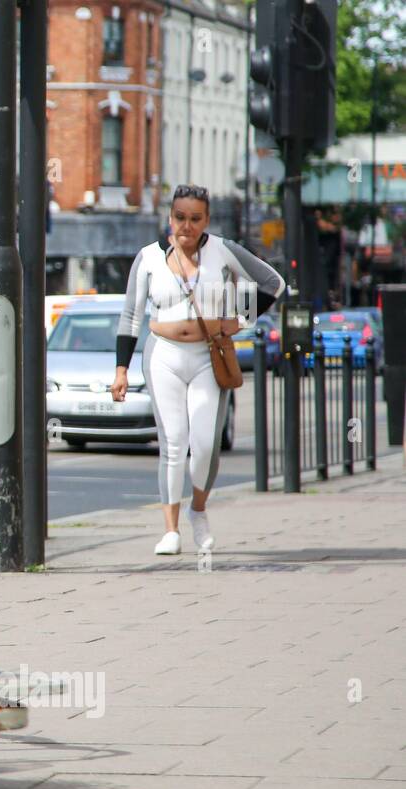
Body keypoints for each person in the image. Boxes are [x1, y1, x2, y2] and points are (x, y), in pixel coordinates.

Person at [111, 184, 284, 555]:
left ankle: (198, 510)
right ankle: (170, 530)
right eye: (179, 217)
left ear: (206, 220)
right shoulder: (148, 258)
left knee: (204, 444)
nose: (185, 226)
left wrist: (239, 319)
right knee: (174, 443)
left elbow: (274, 283)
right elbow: (130, 316)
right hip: (164, 356)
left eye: (194, 219)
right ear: (169, 217)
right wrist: (121, 369)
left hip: (208, 356)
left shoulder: (223, 251)